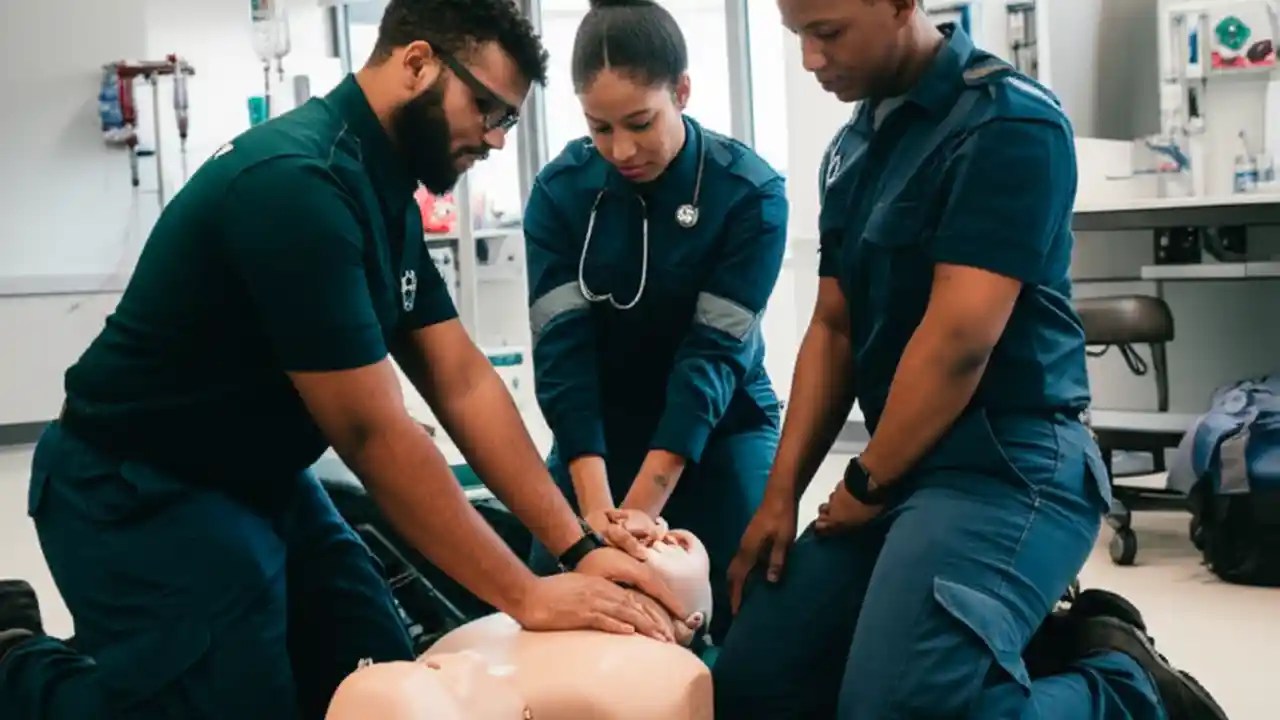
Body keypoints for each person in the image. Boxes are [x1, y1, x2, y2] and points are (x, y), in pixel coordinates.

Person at [0, 1, 695, 718]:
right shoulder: (296, 186)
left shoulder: (380, 186)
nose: (492, 137)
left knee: (374, 672)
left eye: (507, 119)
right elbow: (373, 436)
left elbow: (460, 381)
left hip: (263, 478)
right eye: (485, 107)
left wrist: (577, 549)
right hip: (139, 488)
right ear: (418, 62)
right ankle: (14, 656)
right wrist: (527, 594)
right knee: (235, 704)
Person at [711, 1, 1230, 719]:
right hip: (900, 466)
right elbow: (832, 329)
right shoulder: (852, 149)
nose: (810, 60)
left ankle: (1121, 686)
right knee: (751, 685)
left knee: (899, 710)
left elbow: (959, 344)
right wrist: (779, 497)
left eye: (827, 33)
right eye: (797, 37)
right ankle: (1015, 650)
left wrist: (864, 481)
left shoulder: (1007, 123)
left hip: (1011, 464)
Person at [521, 0, 788, 645]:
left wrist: (638, 517)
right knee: (555, 607)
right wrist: (593, 521)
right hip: (599, 435)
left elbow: (712, 360)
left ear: (683, 92)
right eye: (599, 127)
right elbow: (564, 358)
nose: (622, 149)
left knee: (754, 603)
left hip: (722, 428)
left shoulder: (748, 194)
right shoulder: (561, 194)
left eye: (641, 122)